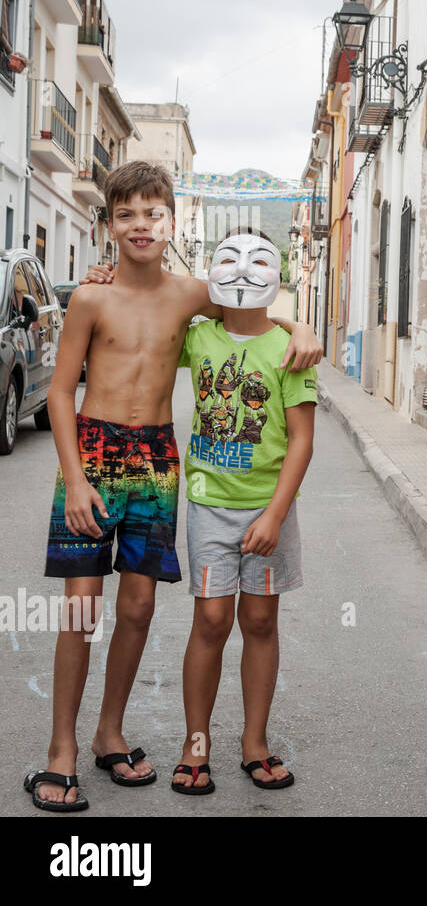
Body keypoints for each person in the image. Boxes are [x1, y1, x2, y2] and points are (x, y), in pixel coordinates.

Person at [23, 162, 322, 812]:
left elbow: (254, 312)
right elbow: (57, 390)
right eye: (125, 213)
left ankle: (109, 731)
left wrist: (301, 327)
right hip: (96, 455)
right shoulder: (90, 297)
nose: (140, 225)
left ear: (172, 222)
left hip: (156, 459)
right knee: (82, 607)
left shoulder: (191, 293)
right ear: (108, 225)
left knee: (137, 607)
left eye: (152, 213)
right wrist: (74, 478)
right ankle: (60, 750)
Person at [168, 228, 315, 794]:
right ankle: (195, 742)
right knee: (209, 620)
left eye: (259, 262)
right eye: (228, 259)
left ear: (277, 275)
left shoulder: (291, 350)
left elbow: (301, 440)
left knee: (260, 621)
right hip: (208, 504)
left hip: (268, 507)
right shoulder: (198, 339)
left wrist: (276, 514)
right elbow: (164, 301)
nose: (243, 271)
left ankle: (255, 741)